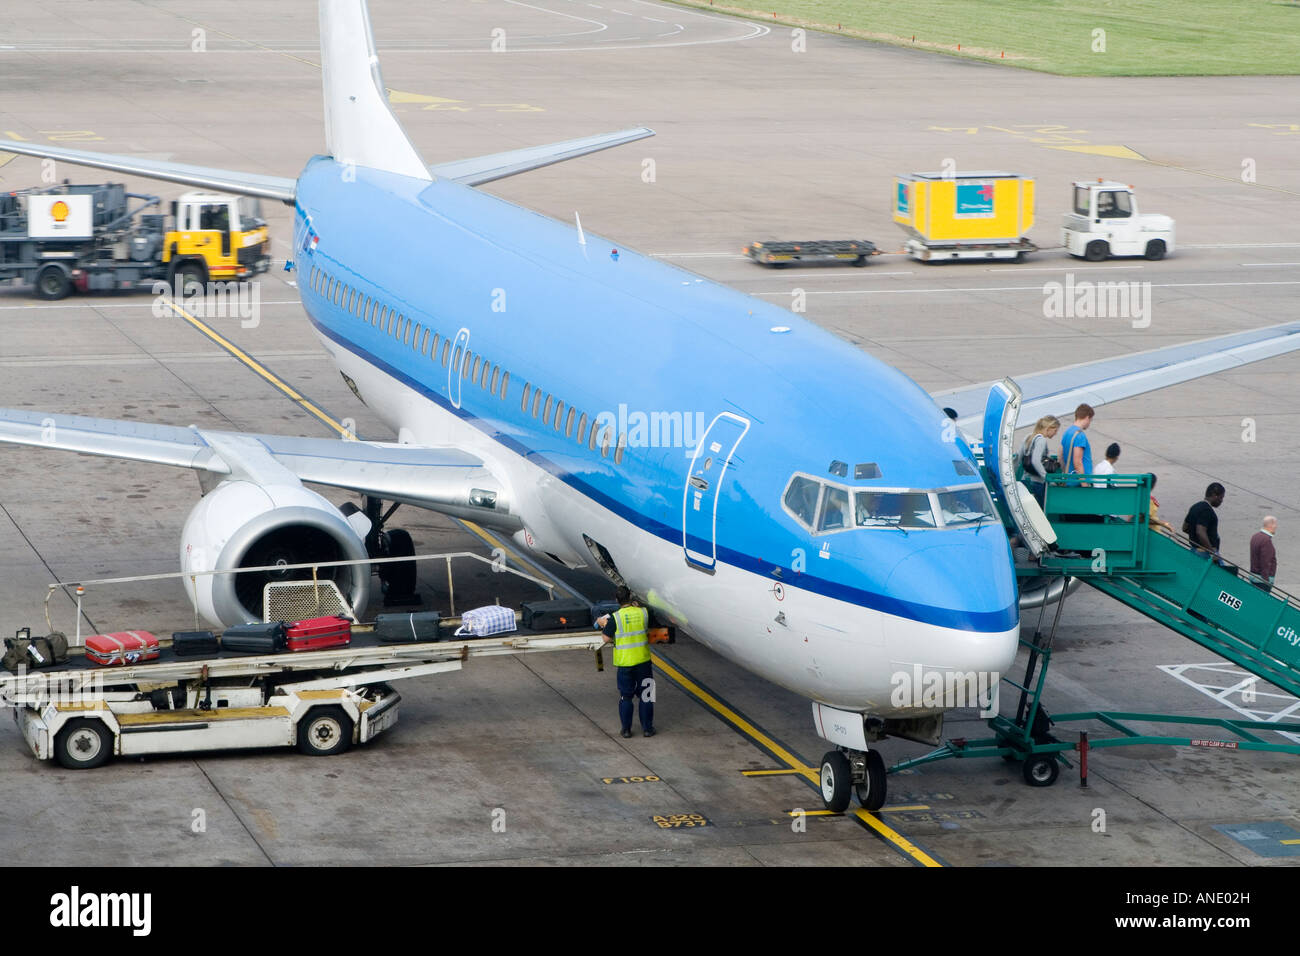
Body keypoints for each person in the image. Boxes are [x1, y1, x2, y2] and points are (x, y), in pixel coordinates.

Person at [597, 586, 655, 738]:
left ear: (617, 600)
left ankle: (626, 730)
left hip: (625, 664)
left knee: (626, 697)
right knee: (647, 696)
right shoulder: (643, 612)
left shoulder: (616, 617)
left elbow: (606, 638)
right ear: (631, 598)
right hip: (643, 661)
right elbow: (650, 627)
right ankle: (648, 729)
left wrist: (603, 624)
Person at [1020, 415, 1060, 506]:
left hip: (1025, 481)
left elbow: (1018, 458)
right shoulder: (1041, 440)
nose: (1056, 433)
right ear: (1049, 428)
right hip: (1037, 483)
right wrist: (1047, 478)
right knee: (1040, 511)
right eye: (1055, 430)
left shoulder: (1028, 437)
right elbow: (1035, 461)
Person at [1183, 483, 1226, 560]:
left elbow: (1185, 528)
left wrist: (1194, 536)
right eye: (1221, 497)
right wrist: (1212, 552)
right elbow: (1200, 532)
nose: (1221, 501)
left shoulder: (1195, 507)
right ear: (1214, 495)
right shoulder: (1207, 511)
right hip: (1204, 553)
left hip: (1193, 550)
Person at [1059, 404, 1095, 479]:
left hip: (1069, 479)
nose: (1089, 424)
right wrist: (1084, 483)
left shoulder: (1067, 432)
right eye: (1090, 420)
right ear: (1087, 417)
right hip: (1078, 483)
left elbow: (1060, 456)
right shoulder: (1080, 435)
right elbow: (1077, 462)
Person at [1250, 516, 1278, 591]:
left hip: (1254, 575)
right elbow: (1265, 562)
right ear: (1270, 525)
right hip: (1262, 580)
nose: (1276, 526)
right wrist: (1266, 581)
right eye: (1275, 524)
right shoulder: (1266, 541)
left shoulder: (1255, 536)